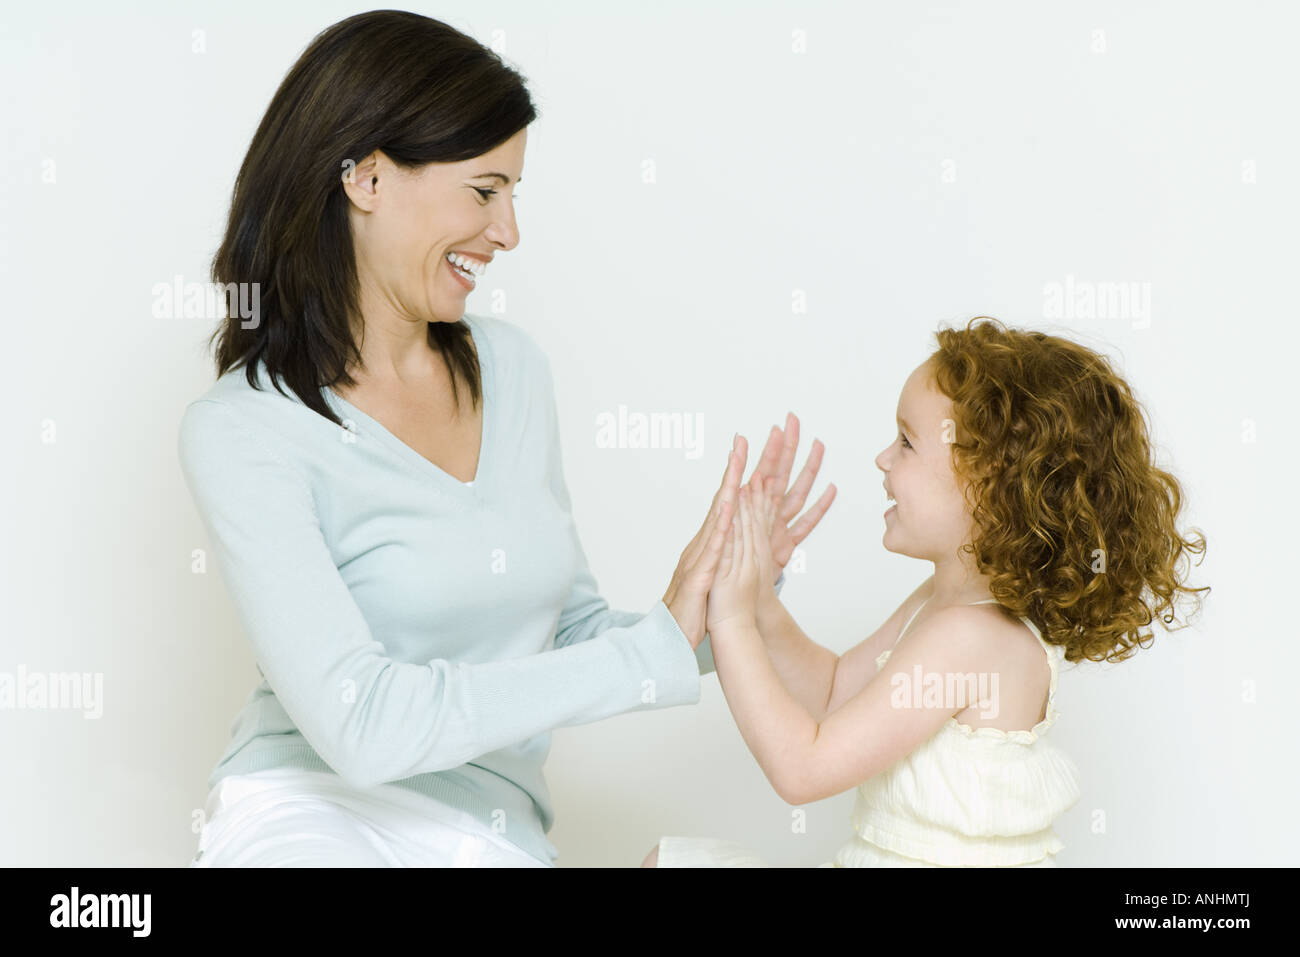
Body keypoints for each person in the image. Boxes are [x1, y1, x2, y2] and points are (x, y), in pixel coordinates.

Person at [179, 9, 836, 867]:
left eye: (513, 195)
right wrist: (657, 645)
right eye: (486, 191)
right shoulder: (244, 429)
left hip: (482, 827)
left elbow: (565, 631)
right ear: (367, 178)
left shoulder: (513, 371)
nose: (509, 231)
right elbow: (362, 726)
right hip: (309, 812)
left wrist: (723, 602)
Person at [647, 317, 1209, 867]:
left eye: (906, 442)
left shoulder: (972, 638)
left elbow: (802, 770)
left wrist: (731, 617)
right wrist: (760, 602)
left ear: (989, 485)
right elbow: (832, 691)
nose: (883, 458)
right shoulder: (943, 603)